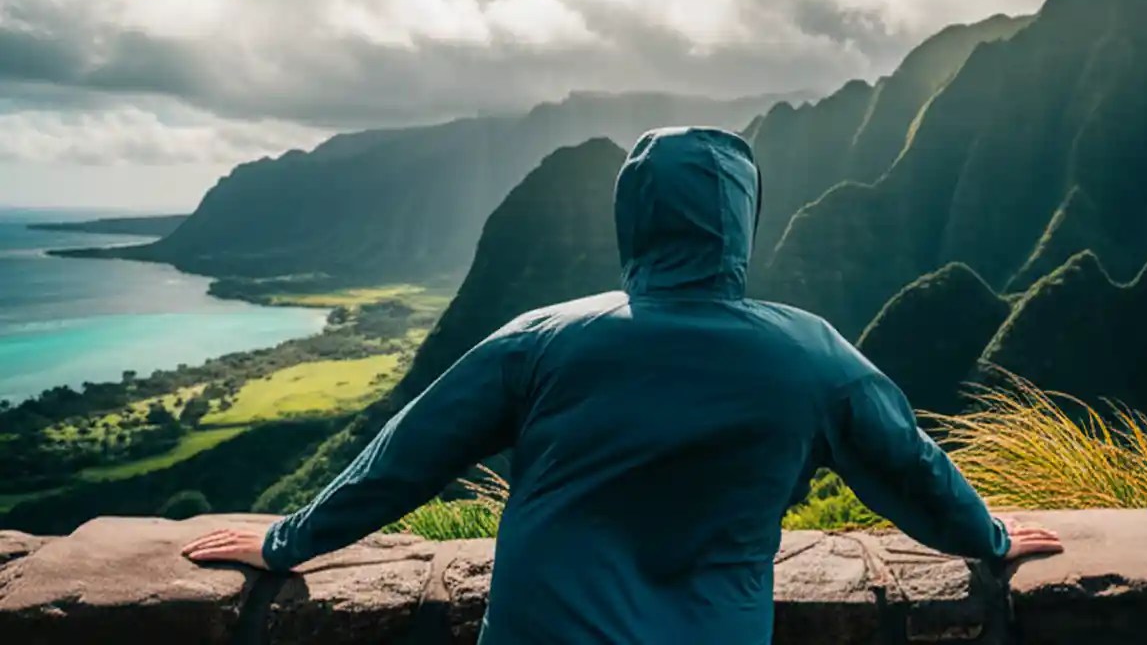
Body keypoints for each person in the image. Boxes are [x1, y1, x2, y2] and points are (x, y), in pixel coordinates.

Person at [183, 126, 1063, 643]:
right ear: (741, 223)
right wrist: (987, 537)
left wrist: (285, 543)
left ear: (630, 219)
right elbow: (909, 468)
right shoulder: (814, 356)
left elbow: (404, 459)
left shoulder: (541, 341)